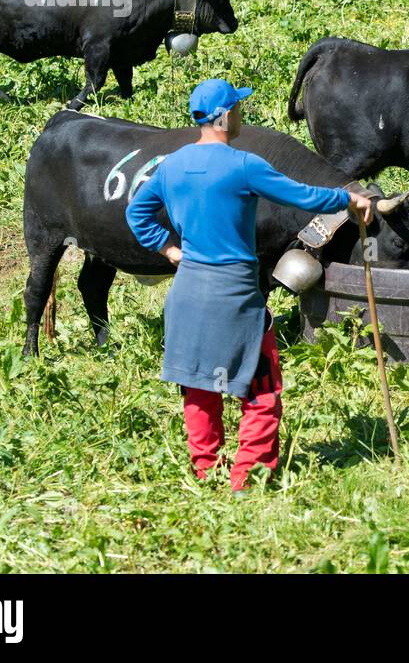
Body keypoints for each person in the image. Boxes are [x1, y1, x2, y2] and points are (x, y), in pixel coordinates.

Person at [126, 78, 372, 491]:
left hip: (187, 293)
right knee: (261, 388)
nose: (242, 113)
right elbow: (305, 197)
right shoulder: (244, 165)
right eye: (237, 108)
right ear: (225, 117)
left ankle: (207, 471)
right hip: (235, 297)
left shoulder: (173, 165)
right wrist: (350, 200)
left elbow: (138, 214)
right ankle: (248, 478)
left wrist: (170, 251)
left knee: (201, 386)